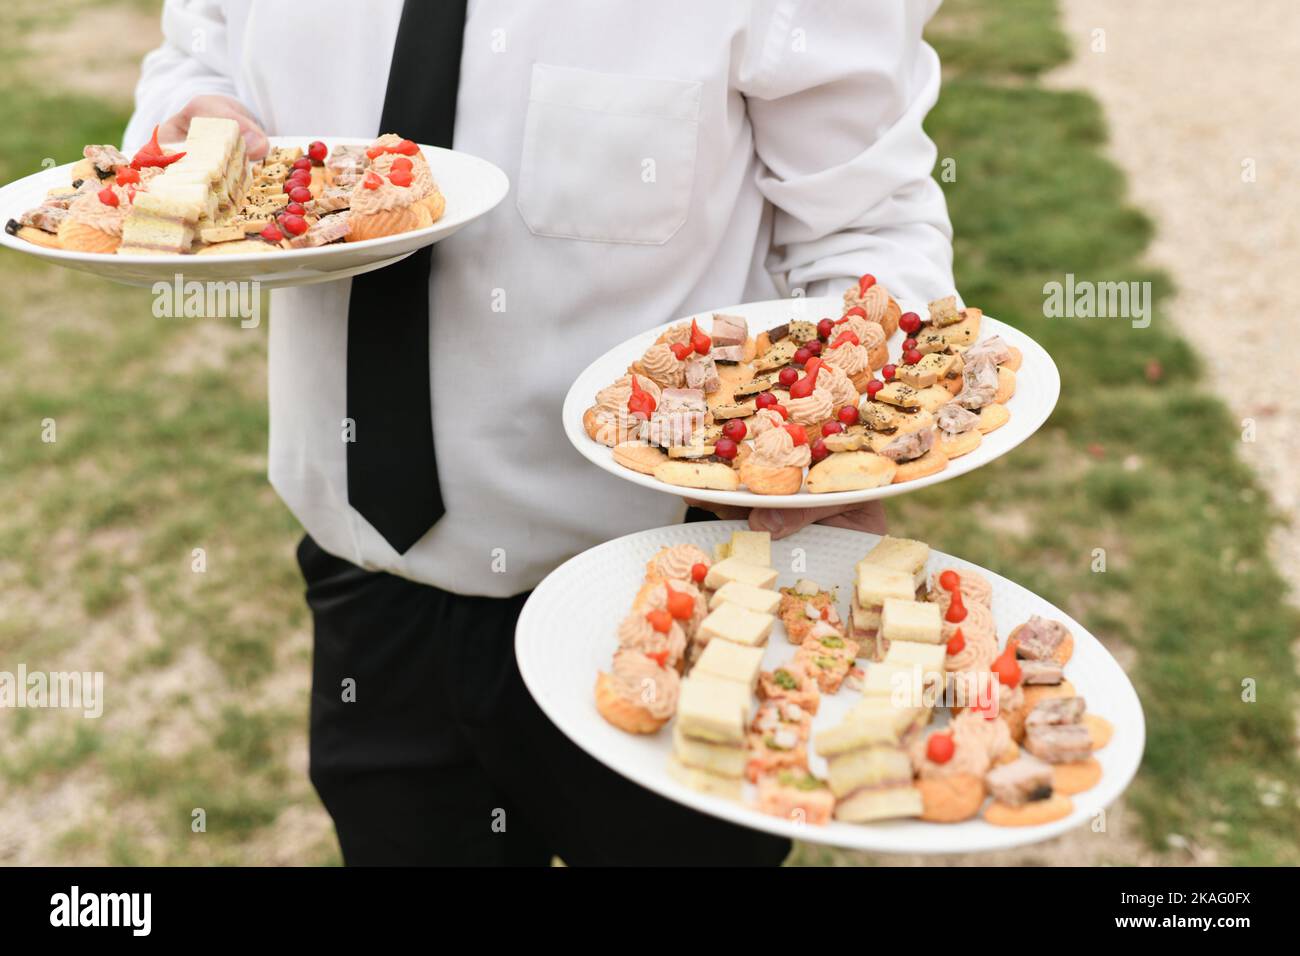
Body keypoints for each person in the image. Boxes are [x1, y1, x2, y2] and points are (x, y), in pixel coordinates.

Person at [125, 0, 955, 865]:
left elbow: (866, 222)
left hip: (666, 604)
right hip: (366, 587)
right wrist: (189, 118)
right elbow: (195, 58)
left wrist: (847, 447)